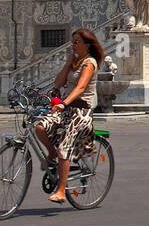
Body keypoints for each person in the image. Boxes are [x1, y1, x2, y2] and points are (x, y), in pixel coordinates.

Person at [35, 28, 103, 204]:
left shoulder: (90, 62)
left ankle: (61, 191)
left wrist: (64, 103)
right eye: (72, 42)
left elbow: (80, 88)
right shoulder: (74, 62)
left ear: (87, 45)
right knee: (40, 127)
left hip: (81, 112)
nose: (73, 45)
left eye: (77, 42)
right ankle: (51, 152)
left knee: (64, 148)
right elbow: (58, 83)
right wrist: (67, 64)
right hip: (66, 110)